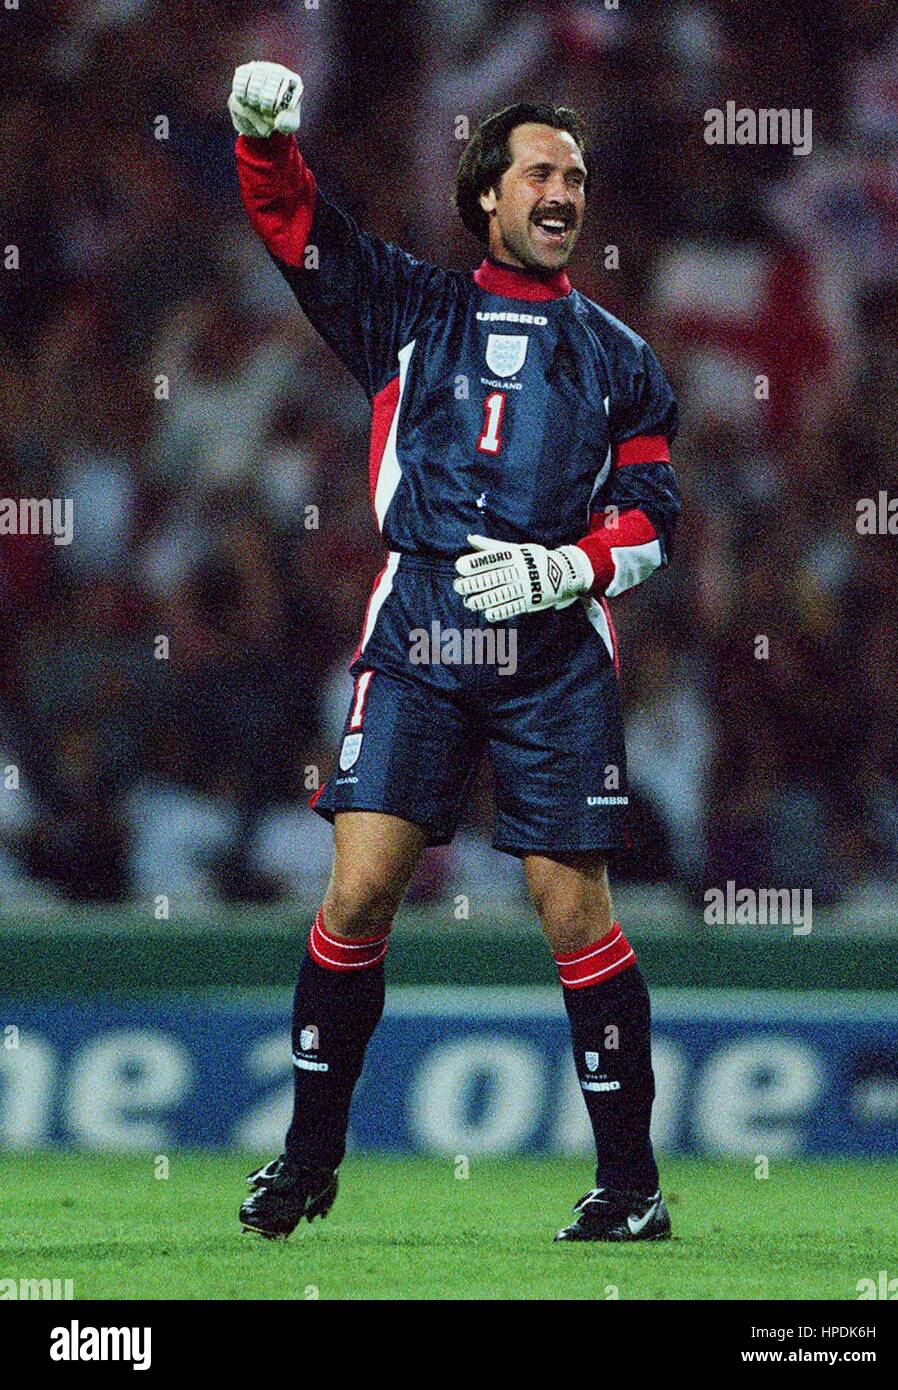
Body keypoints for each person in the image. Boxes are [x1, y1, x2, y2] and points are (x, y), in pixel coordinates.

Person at [229, 61, 680, 1242]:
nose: (564, 191)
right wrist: (260, 140)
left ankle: (628, 1190)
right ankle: (306, 1162)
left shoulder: (621, 359)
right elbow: (295, 227)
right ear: (487, 196)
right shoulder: (406, 308)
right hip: (422, 625)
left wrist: (564, 566)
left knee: (570, 908)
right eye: (540, 170)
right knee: (361, 885)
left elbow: (651, 521)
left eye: (576, 177)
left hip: (553, 649)